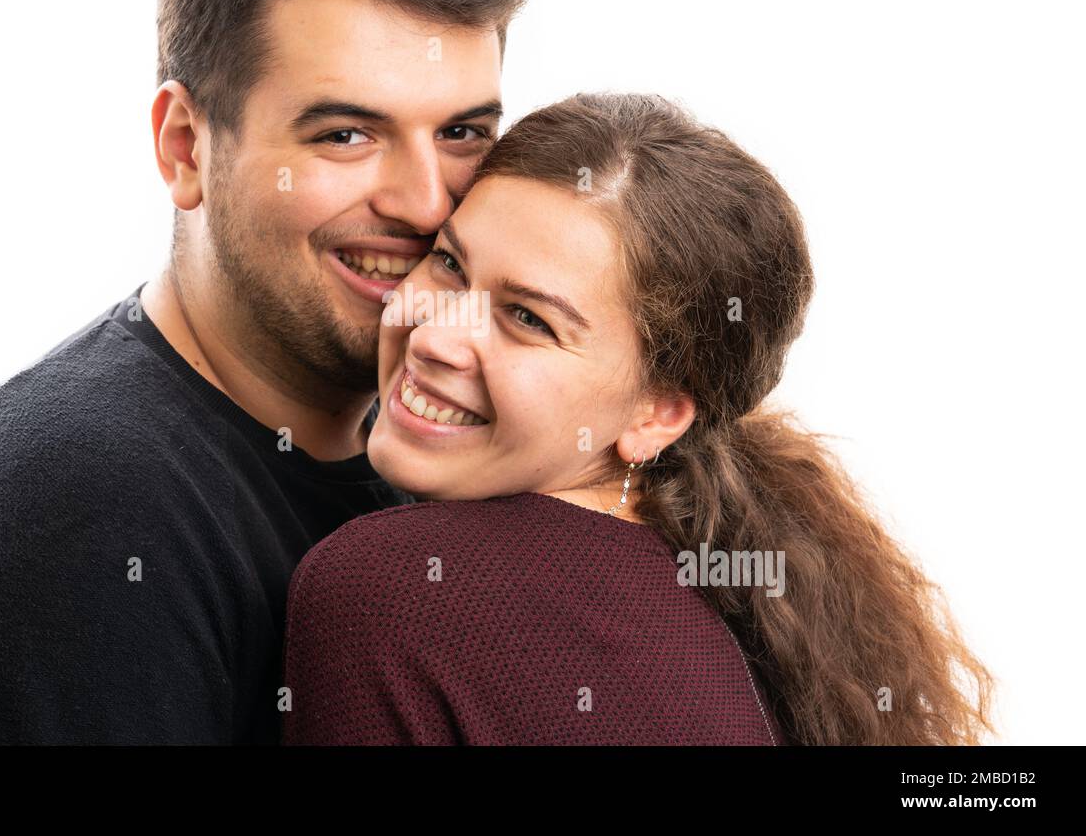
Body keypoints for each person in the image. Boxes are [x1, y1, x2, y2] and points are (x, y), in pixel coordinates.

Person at [0, 0, 524, 744]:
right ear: (186, 146)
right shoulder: (77, 514)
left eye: (462, 134)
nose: (427, 203)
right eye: (345, 135)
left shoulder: (448, 444)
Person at [281, 92, 997, 746]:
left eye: (527, 318)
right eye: (449, 264)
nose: (433, 335)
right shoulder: (731, 617)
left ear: (658, 414)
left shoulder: (389, 586)